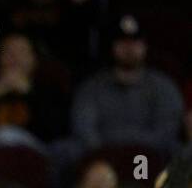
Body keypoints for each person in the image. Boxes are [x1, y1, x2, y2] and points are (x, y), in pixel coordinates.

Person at [71, 14, 182, 155]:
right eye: (122, 42)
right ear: (112, 46)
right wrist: (111, 152)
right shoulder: (92, 87)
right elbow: (84, 130)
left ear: (145, 46)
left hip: (153, 157)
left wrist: (133, 148)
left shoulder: (163, 86)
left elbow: (166, 132)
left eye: (135, 42)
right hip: (101, 160)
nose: (129, 48)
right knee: (66, 150)